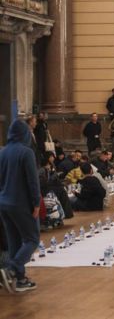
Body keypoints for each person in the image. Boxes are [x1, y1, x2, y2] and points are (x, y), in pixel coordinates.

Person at [0, 119, 41, 293]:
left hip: (3, 203)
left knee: (14, 241)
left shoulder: (2, 152)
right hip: (21, 203)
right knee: (32, 239)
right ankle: (11, 268)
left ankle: (20, 279)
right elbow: (33, 181)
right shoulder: (26, 152)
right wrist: (36, 203)